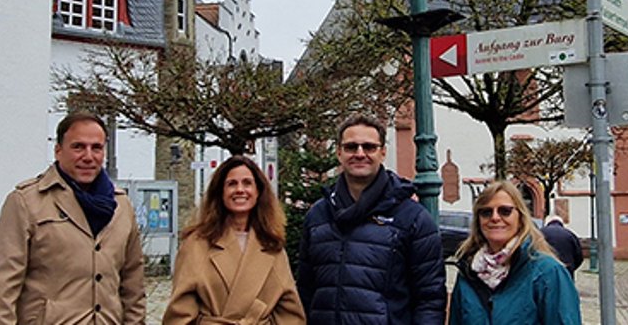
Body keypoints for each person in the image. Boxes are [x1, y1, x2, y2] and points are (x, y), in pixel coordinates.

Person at [0, 113, 146, 324]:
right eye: (78, 147)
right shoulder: (26, 202)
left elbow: (133, 286)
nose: (88, 156)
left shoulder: (121, 206)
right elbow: (0, 290)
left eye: (96, 148)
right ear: (58, 150)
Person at [297, 114, 446, 324]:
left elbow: (429, 299)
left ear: (383, 152)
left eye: (369, 147)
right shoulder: (318, 216)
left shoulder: (412, 218)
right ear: (339, 153)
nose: (360, 154)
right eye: (351, 147)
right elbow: (305, 290)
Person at [163, 155, 305, 324]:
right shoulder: (196, 245)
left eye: (247, 183)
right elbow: (179, 313)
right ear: (220, 193)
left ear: (258, 192)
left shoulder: (272, 246)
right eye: (232, 184)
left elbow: (290, 313)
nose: (240, 190)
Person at [447, 182, 581, 325]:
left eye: (505, 211)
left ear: (521, 217)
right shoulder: (468, 273)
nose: (495, 217)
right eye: (486, 212)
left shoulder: (548, 273)